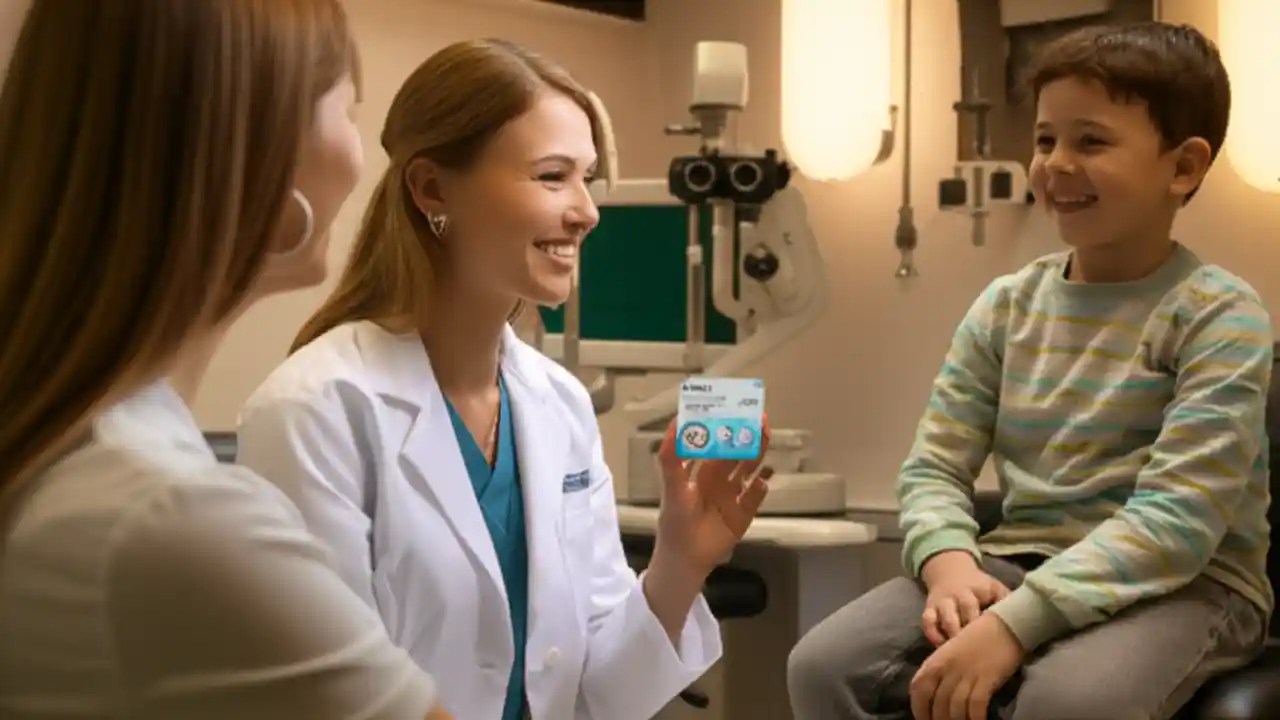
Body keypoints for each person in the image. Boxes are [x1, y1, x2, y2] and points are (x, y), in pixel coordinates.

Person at [234, 38, 773, 720]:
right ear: (432, 188)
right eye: (552, 176)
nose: (587, 210)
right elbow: (326, 698)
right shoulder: (315, 411)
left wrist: (680, 563)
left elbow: (601, 697)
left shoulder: (561, 406)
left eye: (587, 177)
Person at [787, 21, 1272, 720]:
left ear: (1184, 167)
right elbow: (933, 469)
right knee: (823, 666)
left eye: (1092, 141)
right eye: (1046, 139)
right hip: (1019, 558)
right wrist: (949, 562)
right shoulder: (1007, 306)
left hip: (1193, 584)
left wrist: (1014, 625)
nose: (1055, 163)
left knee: (1070, 702)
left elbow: (1178, 523)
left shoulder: (1218, 315)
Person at [0, 2, 451, 718]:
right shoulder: (169, 517)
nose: (584, 210)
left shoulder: (85, 455)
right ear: (260, 156)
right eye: (349, 111)